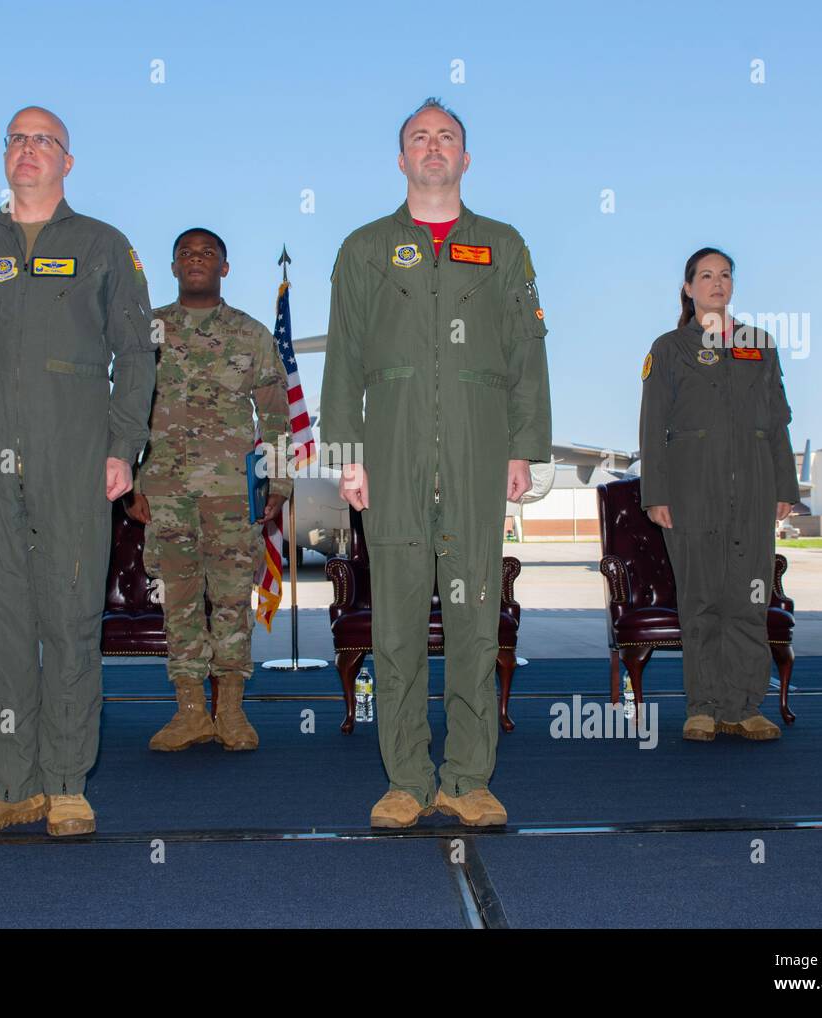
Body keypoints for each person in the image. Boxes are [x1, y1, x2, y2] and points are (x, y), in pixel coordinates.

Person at [0, 106, 157, 835]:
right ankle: (6, 783)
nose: (29, 150)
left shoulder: (103, 246)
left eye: (43, 140)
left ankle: (65, 783)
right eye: (17, 139)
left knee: (72, 616)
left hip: (74, 453)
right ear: (5, 157)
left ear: (67, 161)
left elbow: (138, 354)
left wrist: (123, 445)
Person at [321, 98, 552, 828]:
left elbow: (528, 351)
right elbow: (344, 360)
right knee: (393, 621)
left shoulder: (503, 245)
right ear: (400, 158)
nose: (432, 146)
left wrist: (525, 446)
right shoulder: (363, 248)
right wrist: (344, 454)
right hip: (389, 449)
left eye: (446, 136)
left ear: (465, 157)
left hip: (480, 448)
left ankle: (468, 777)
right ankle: (406, 779)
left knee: (475, 617)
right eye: (419, 137)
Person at [124, 228, 292, 751]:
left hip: (231, 492)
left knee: (230, 600)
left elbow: (276, 413)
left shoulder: (250, 333)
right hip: (165, 489)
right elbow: (126, 407)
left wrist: (280, 480)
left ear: (225, 267)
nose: (196, 261)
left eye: (208, 254)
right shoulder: (146, 330)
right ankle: (190, 712)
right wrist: (129, 477)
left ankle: (234, 712)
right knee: (178, 600)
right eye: (186, 254)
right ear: (173, 267)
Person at [638, 247, 800, 742]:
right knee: (702, 600)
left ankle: (744, 706)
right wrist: (656, 493)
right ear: (688, 288)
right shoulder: (669, 348)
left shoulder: (760, 345)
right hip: (691, 491)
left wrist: (784, 486)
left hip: (753, 490)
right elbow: (652, 427)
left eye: (725, 275)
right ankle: (704, 707)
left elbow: (777, 422)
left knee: (749, 599)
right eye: (705, 275)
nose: (716, 282)